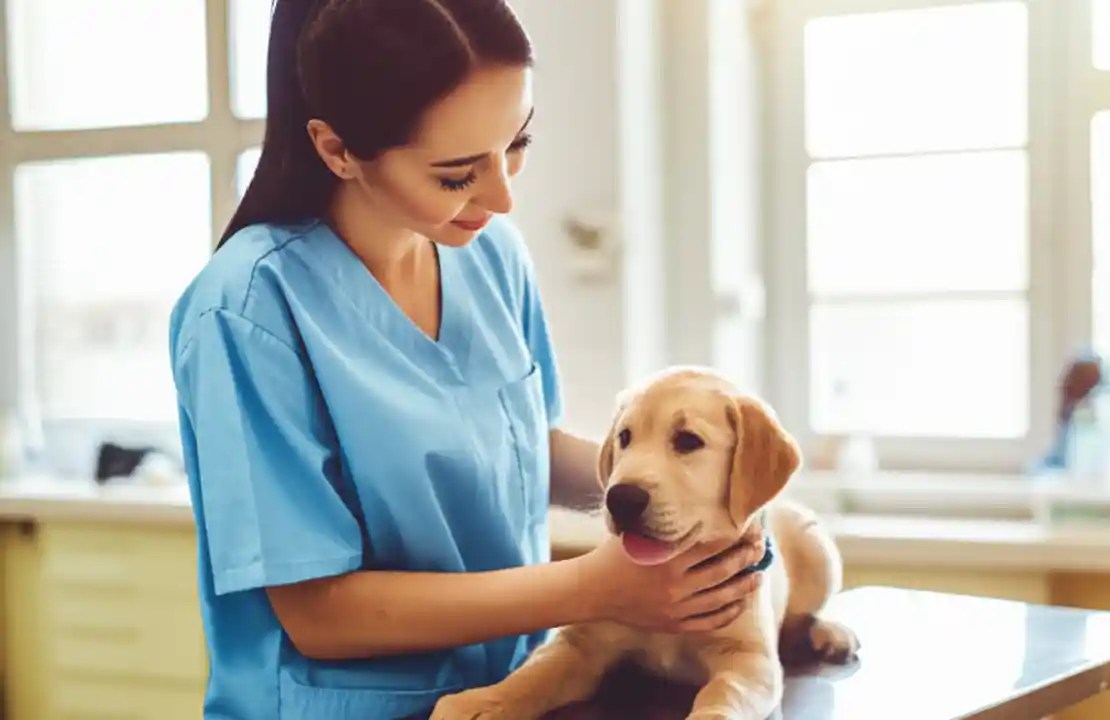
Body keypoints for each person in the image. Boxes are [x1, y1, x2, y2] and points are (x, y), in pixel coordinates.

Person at [167, 1, 765, 717]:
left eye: (517, 143)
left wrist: (703, 476)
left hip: (510, 695)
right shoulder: (247, 310)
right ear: (336, 150)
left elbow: (519, 452)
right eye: (457, 174)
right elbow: (317, 612)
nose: (503, 196)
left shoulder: (488, 254)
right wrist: (597, 588)